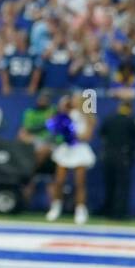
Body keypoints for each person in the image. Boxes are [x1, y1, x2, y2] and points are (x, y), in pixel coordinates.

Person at [46, 92, 96, 224]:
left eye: (77, 98)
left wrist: (74, 136)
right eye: (73, 98)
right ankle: (55, 207)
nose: (74, 100)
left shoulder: (87, 116)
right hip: (66, 149)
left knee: (79, 183)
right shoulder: (65, 113)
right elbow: (53, 125)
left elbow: (88, 136)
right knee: (59, 181)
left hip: (79, 149)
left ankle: (80, 210)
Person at [99, 100, 135, 220]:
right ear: (129, 108)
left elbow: (102, 133)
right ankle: (119, 213)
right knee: (122, 186)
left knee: (109, 184)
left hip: (108, 155)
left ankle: (107, 211)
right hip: (123, 155)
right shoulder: (130, 120)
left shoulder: (109, 118)